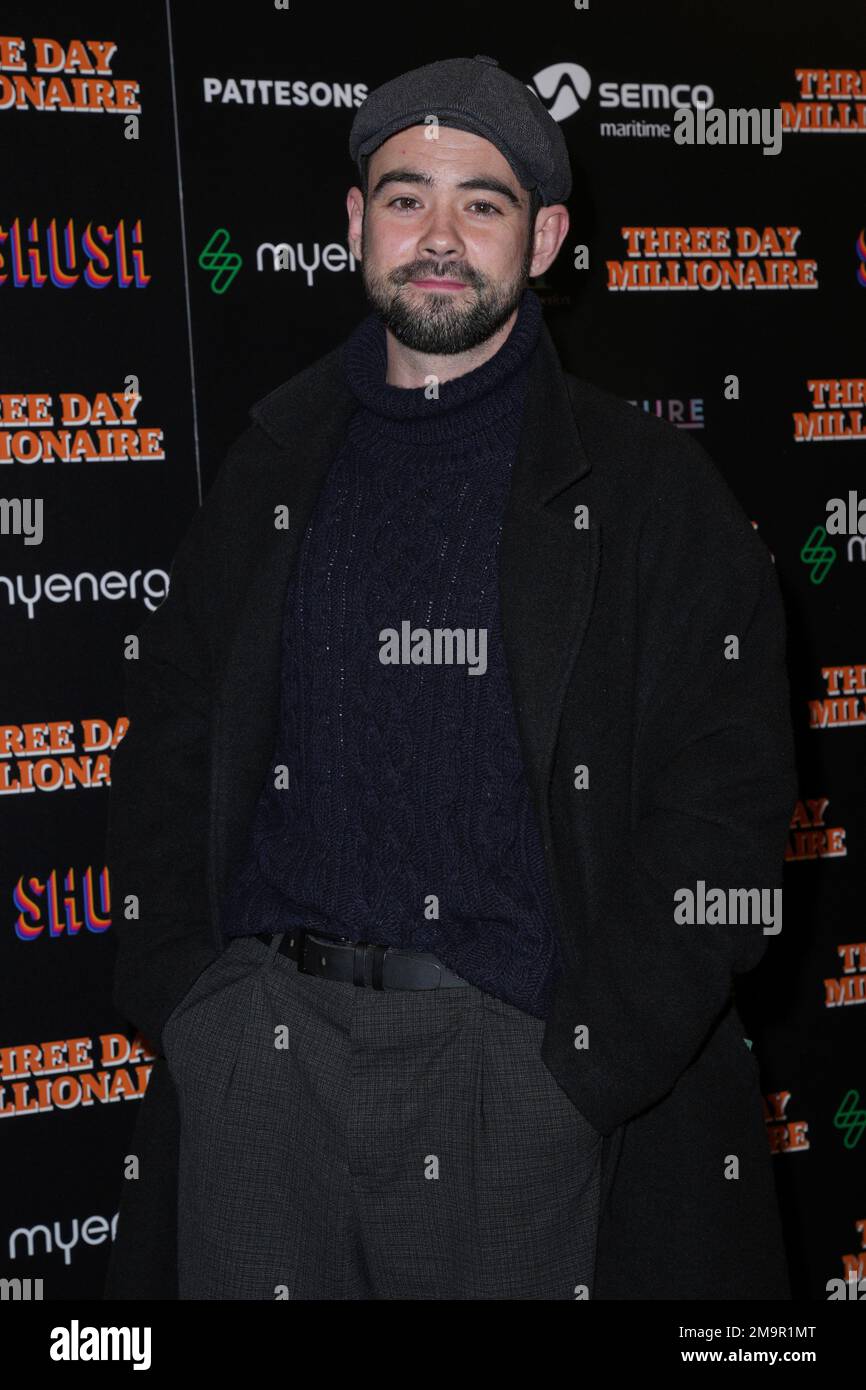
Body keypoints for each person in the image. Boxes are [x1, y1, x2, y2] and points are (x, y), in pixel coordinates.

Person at [104, 54, 798, 1301]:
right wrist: (188, 1014)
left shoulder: (649, 495)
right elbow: (168, 743)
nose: (437, 236)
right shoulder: (272, 465)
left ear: (542, 242)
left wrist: (580, 1070)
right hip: (263, 1063)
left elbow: (724, 820)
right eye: (404, 196)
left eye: (479, 203)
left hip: (512, 1074)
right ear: (353, 225)